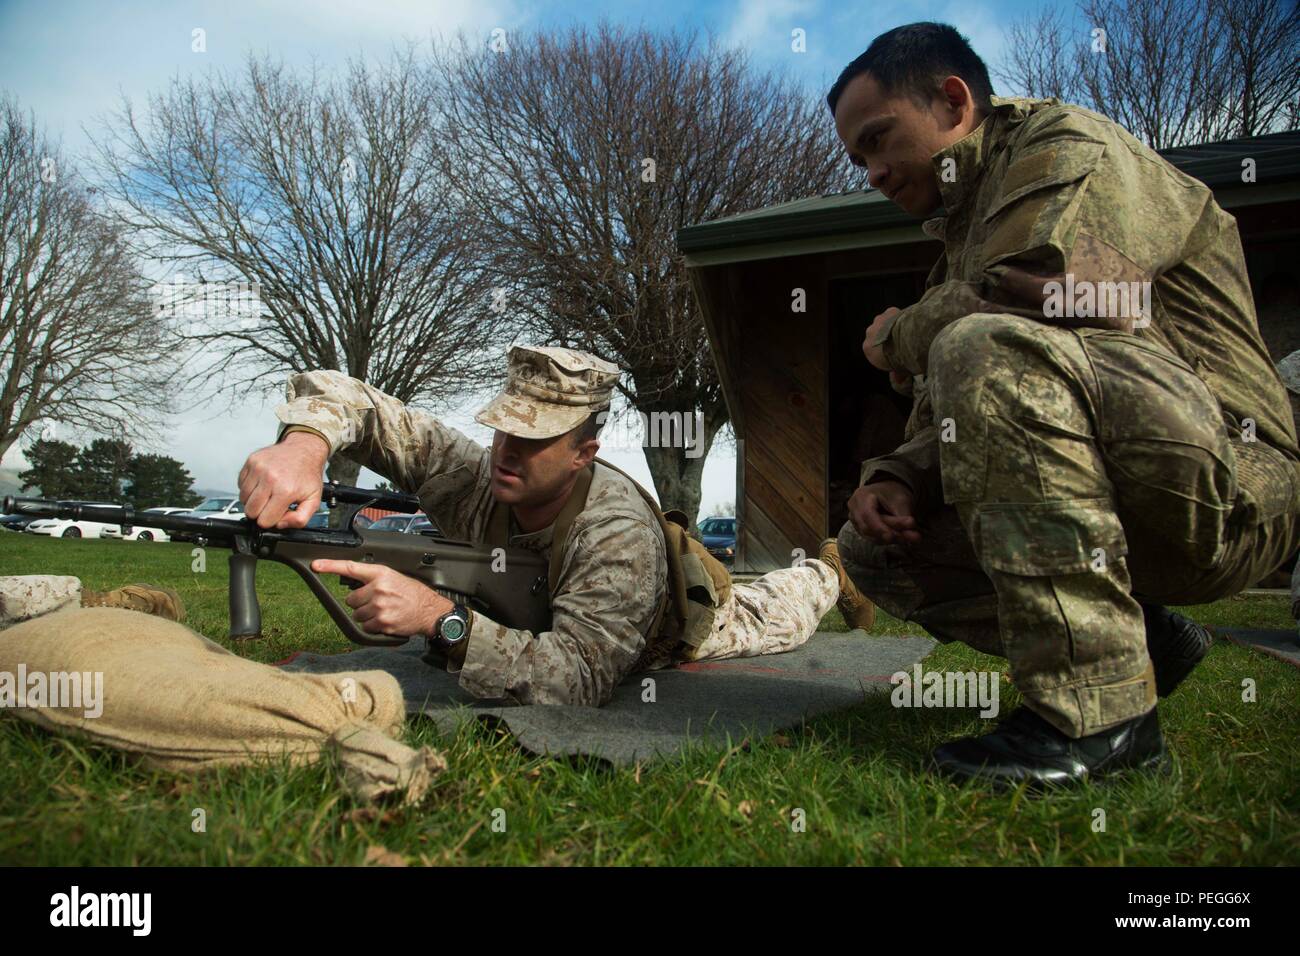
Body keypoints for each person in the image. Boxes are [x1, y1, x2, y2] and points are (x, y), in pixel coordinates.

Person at [826, 22, 1299, 787]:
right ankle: (1140, 642)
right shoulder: (968, 224)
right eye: (859, 159)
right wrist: (899, 477)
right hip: (1131, 485)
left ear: (952, 100)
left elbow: (1032, 306)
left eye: (879, 140)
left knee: (977, 344)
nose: (873, 172)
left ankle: (1104, 723)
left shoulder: (1066, 145)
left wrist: (893, 337)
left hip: (1233, 481)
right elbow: (991, 391)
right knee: (872, 548)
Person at [237, 345, 840, 707]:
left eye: (534, 439)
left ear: (584, 452)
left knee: (782, 606)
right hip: (539, 617)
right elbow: (354, 399)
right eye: (503, 428)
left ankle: (836, 568)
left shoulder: (615, 530)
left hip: (678, 622)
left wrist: (438, 621)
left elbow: (581, 678)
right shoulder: (472, 474)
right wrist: (305, 443)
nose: (506, 451)